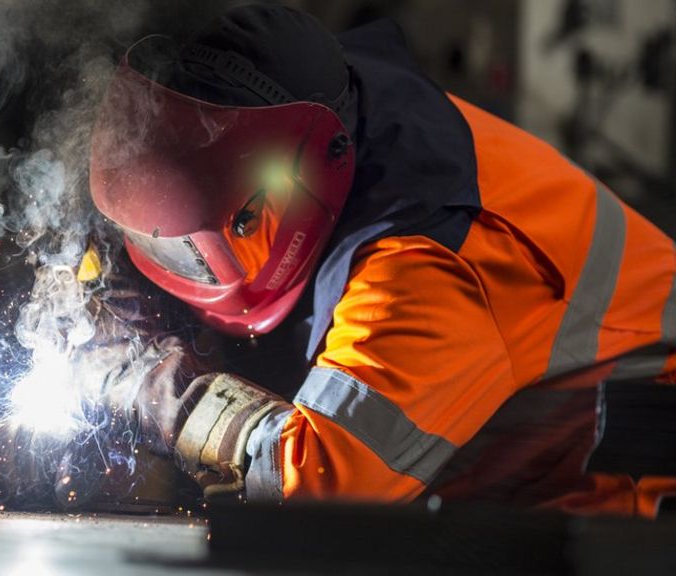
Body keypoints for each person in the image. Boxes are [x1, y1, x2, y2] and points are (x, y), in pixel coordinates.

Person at [88, 4, 676, 516]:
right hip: (502, 477)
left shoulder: (425, 264)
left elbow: (317, 485)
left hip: (633, 514)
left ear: (288, 185)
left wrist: (155, 388)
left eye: (188, 253)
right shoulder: (325, 101)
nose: (172, 266)